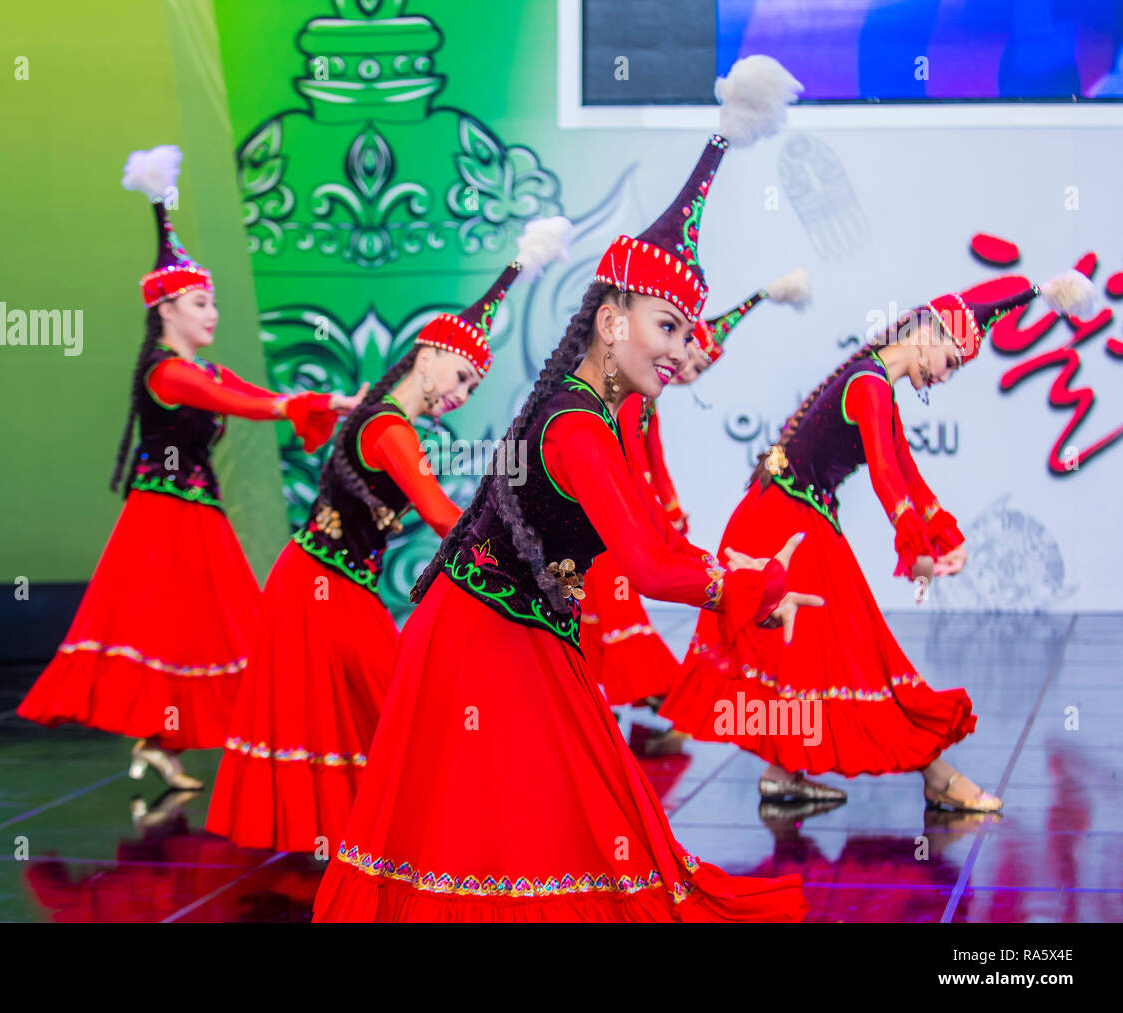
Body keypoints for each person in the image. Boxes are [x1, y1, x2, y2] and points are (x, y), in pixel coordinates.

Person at [313, 56, 820, 922]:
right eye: (667, 327)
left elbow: (650, 547)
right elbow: (652, 565)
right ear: (611, 319)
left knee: (573, 799)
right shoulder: (577, 423)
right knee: (525, 812)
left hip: (510, 621)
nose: (676, 348)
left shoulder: (591, 409)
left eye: (685, 333)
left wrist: (738, 578)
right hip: (487, 629)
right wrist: (755, 582)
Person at [660, 270, 1095, 810]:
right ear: (928, 336)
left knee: (812, 652)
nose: (945, 376)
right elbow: (887, 477)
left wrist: (938, 537)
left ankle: (784, 771)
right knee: (857, 653)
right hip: (785, 522)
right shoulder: (868, 384)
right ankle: (934, 776)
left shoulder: (875, 383)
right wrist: (915, 549)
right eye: (951, 363)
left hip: (791, 515)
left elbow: (904, 471)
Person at [205, 218, 573, 852]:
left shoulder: (386, 421)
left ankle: (369, 843)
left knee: (369, 714)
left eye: (473, 387)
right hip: (323, 588)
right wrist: (518, 554)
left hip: (326, 583)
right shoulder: (392, 430)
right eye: (460, 376)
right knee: (395, 709)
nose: (462, 393)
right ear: (428, 356)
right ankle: (401, 842)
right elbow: (437, 514)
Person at [17, 145, 359, 789]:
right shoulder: (170, 373)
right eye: (201, 304)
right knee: (185, 628)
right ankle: (219, 742)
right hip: (162, 517)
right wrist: (305, 406)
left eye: (213, 304)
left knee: (203, 631)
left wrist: (341, 402)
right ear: (167, 309)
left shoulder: (200, 369)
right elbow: (236, 403)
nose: (212, 313)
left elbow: (254, 395)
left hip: (197, 514)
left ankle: (162, 739)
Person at [583, 268, 811, 709]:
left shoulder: (639, 397)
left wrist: (666, 509)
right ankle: (645, 689)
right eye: (670, 334)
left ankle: (621, 694)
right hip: (612, 516)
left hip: (621, 513)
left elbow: (650, 458)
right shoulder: (615, 400)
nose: (686, 367)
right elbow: (632, 464)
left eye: (695, 361)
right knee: (614, 600)